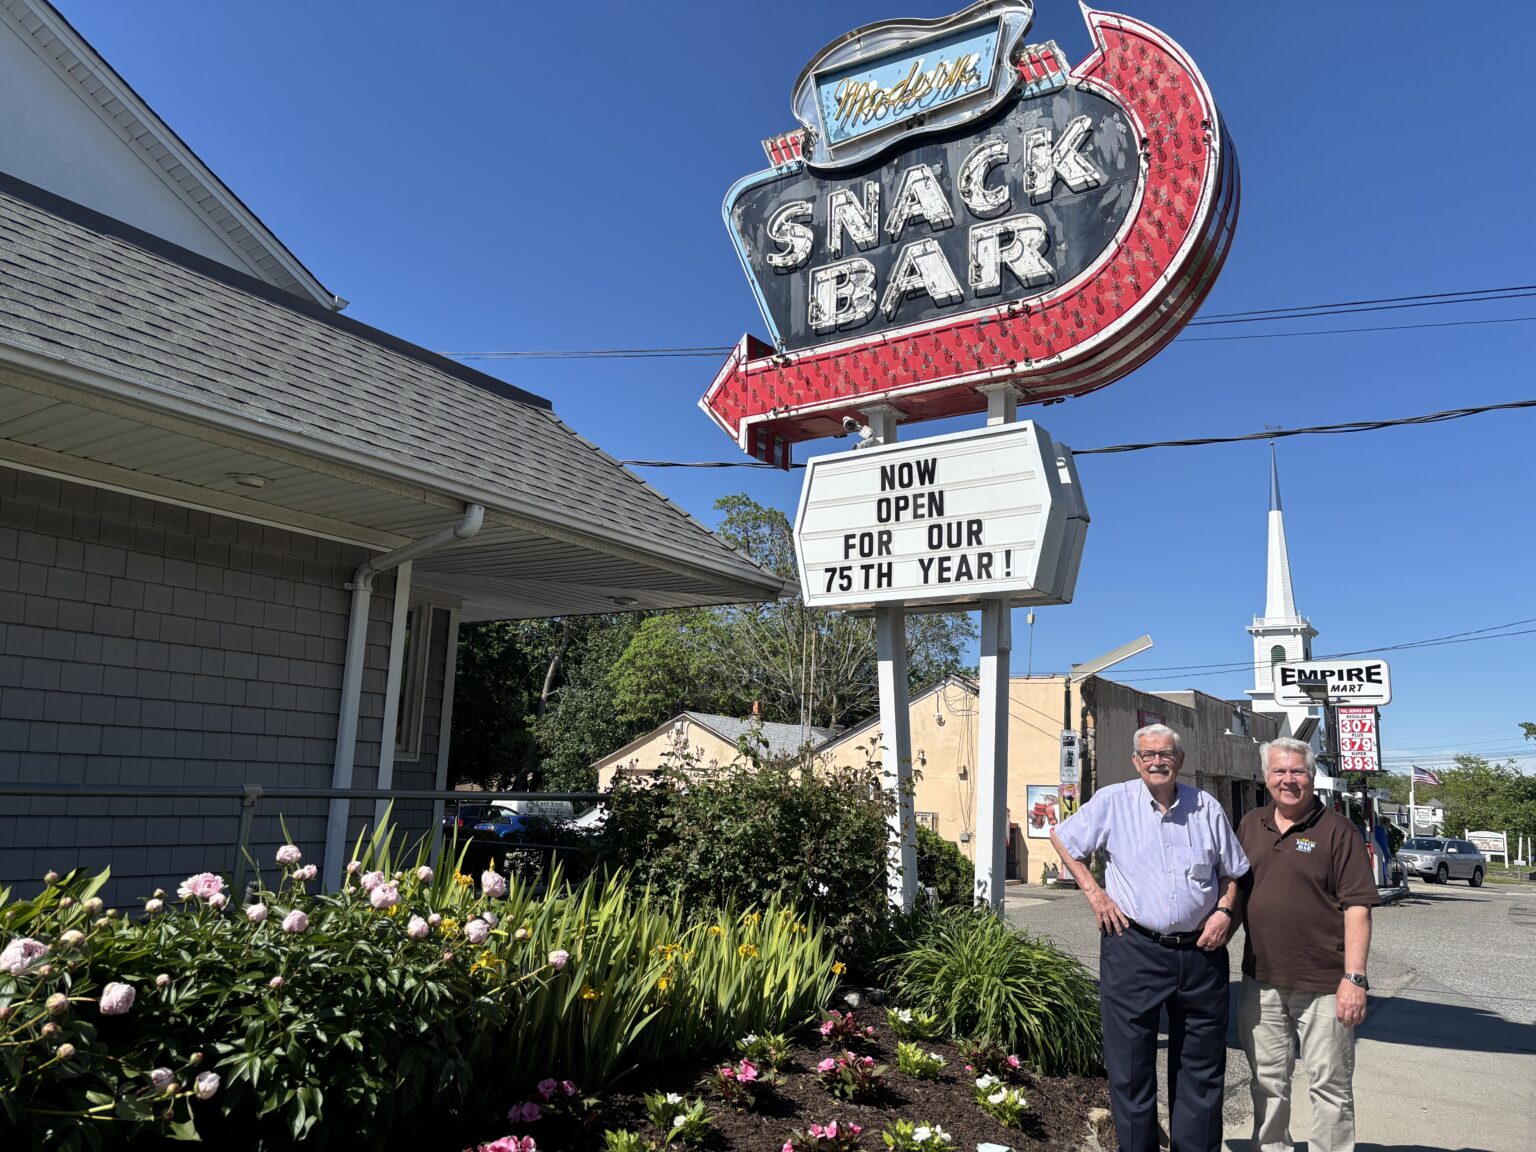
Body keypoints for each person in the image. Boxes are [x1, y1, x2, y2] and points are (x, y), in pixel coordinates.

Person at [1050, 724, 1249, 1152]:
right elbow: (1064, 838)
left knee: (1201, 1070)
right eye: (1148, 754)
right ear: (1136, 761)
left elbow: (1233, 872)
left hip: (1201, 952)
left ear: (1179, 760)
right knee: (1131, 1070)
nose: (1157, 761)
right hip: (1133, 948)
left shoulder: (1207, 807)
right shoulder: (1113, 802)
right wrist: (1095, 894)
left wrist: (1224, 911)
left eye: (1166, 753)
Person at [1235, 737, 1379, 1152]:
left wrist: (1355, 978)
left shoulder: (1337, 830)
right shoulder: (1251, 823)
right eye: (1279, 772)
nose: (1288, 780)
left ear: (1311, 776)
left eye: (1297, 771)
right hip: (1260, 979)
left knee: (1330, 1085)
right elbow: (1235, 892)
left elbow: (1357, 908)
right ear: (1265, 778)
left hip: (1325, 983)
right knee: (1266, 1082)